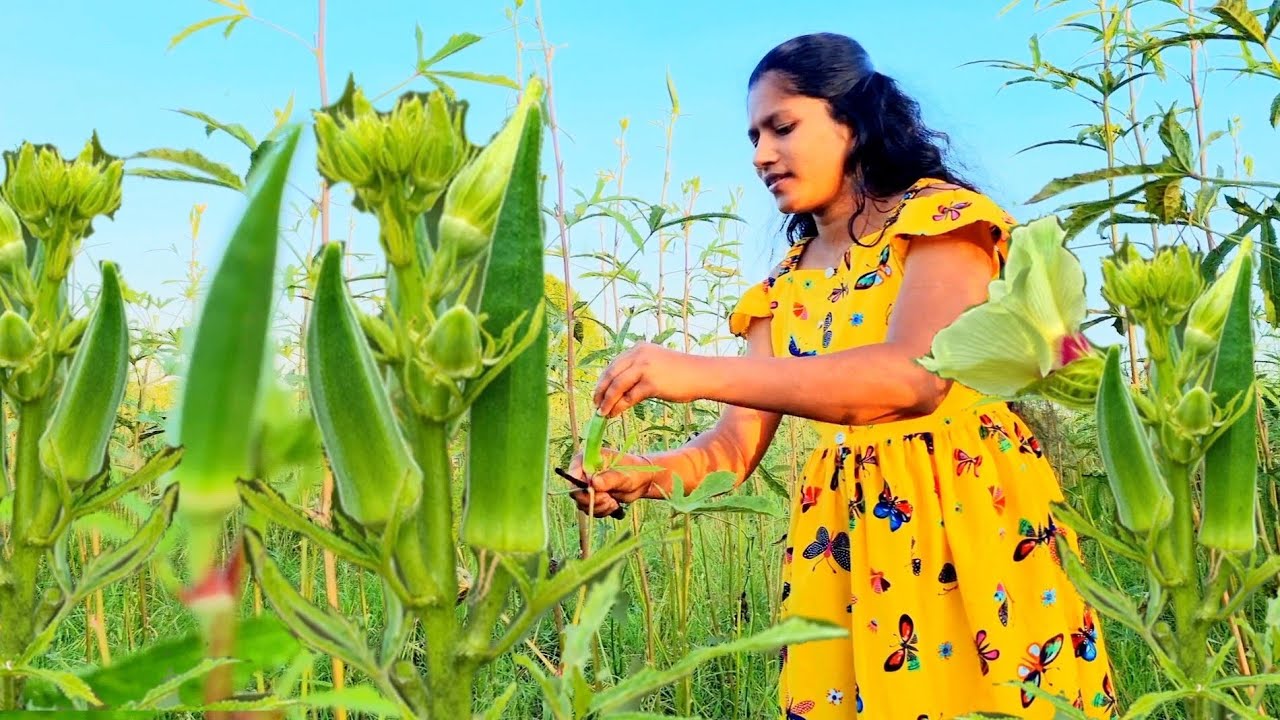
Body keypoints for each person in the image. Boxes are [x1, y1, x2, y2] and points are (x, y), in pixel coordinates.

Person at [563, 32, 1116, 720]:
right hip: (850, 544)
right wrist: (641, 473)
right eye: (754, 136)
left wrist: (695, 371)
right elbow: (730, 452)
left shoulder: (942, 220)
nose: (761, 153)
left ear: (851, 123)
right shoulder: (779, 291)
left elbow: (914, 378)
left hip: (971, 514)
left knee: (1004, 697)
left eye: (782, 126)